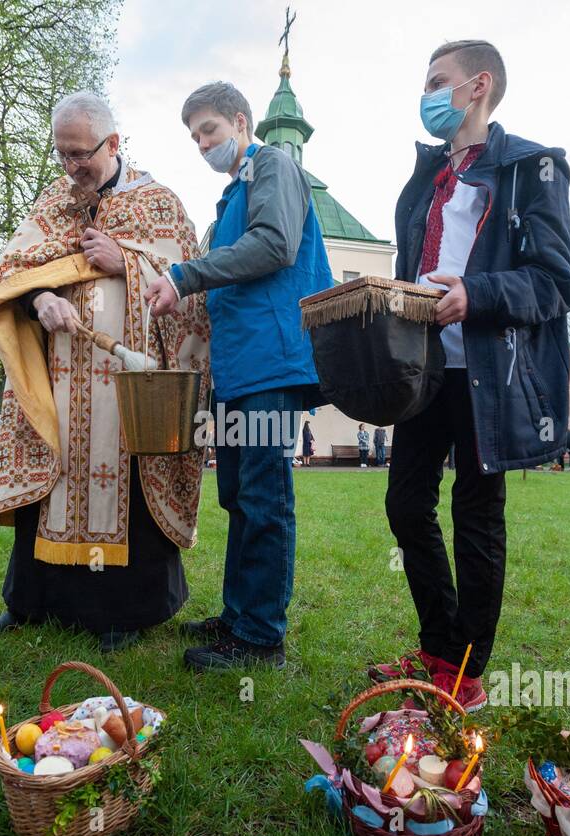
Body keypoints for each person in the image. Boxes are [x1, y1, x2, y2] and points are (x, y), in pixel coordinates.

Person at [368, 39, 570, 711]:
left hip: (488, 371)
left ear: (478, 85)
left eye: (438, 81)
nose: (427, 93)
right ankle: (439, 647)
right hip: (423, 369)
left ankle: (465, 674)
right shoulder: (426, 177)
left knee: (476, 515)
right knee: (405, 503)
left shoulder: (531, 167)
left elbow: (553, 282)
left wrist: (477, 293)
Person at [0, 91, 211, 653]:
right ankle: (29, 601)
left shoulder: (159, 204)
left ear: (113, 144)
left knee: (123, 475)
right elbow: (11, 272)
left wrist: (125, 261)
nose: (71, 168)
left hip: (128, 384)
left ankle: (121, 612)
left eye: (81, 154)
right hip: (55, 374)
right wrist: (40, 300)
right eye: (62, 156)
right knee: (51, 475)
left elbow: (191, 295)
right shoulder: (54, 200)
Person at [145, 80, 333, 671]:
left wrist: (185, 276)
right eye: (196, 137)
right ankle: (237, 615)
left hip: (271, 360)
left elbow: (275, 245)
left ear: (242, 122)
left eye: (211, 131)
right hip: (236, 367)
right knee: (237, 496)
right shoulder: (230, 198)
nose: (204, 145)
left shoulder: (273, 166)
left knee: (264, 497)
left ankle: (261, 639)